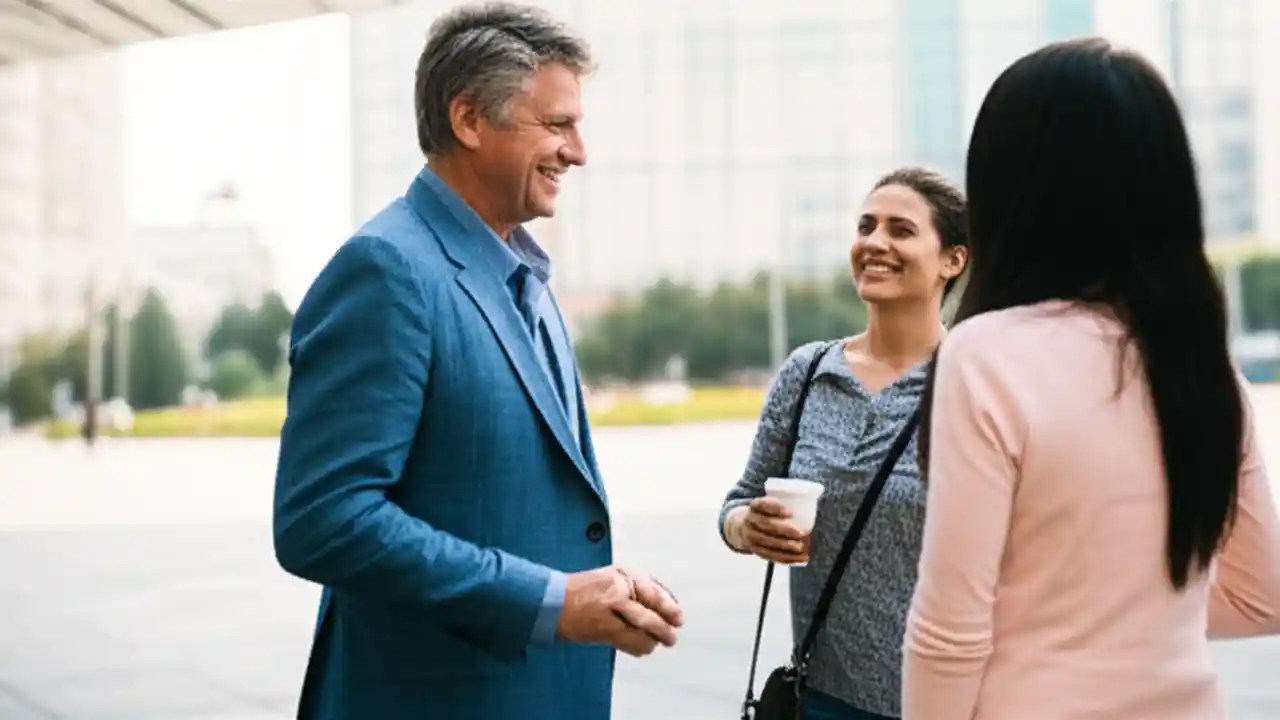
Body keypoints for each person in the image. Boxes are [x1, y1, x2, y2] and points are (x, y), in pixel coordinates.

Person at [271, 4, 682, 719]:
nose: (578, 151)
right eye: (556, 125)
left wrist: (599, 592)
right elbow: (325, 521)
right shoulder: (387, 270)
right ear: (468, 119)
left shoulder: (525, 274)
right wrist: (550, 602)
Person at [902, 38, 1280, 719]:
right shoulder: (1203, 364)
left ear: (1011, 189)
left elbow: (950, 633)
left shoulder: (986, 355)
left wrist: (1056, 628)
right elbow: (1262, 596)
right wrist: (1125, 617)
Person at [720, 167, 969, 719]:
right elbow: (736, 505)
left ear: (953, 260)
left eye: (901, 230)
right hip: (821, 701)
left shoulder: (974, 382)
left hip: (946, 704)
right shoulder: (808, 373)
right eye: (866, 226)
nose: (875, 242)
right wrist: (747, 526)